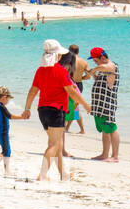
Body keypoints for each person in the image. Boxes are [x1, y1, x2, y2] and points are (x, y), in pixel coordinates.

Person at [19, 39, 91, 182]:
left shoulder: (40, 70)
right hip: (56, 110)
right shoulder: (60, 70)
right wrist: (86, 105)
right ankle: (43, 175)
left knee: (57, 143)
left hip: (42, 111)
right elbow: (72, 92)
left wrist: (27, 108)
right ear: (57, 55)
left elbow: (33, 91)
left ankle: (63, 174)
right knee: (54, 145)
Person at [88, 47, 120, 162]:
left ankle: (115, 156)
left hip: (107, 104)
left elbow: (105, 67)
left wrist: (94, 69)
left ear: (102, 57)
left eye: (96, 60)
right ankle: (104, 154)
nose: (95, 63)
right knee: (105, 130)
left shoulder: (111, 66)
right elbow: (100, 80)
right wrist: (93, 74)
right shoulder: (103, 68)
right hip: (100, 104)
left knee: (111, 128)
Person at [64, 44, 90, 134]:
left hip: (69, 84)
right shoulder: (84, 62)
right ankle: (73, 128)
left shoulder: (67, 61)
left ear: (69, 51)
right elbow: (88, 76)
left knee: (68, 106)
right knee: (75, 107)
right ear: (78, 52)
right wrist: (81, 78)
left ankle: (66, 127)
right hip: (79, 85)